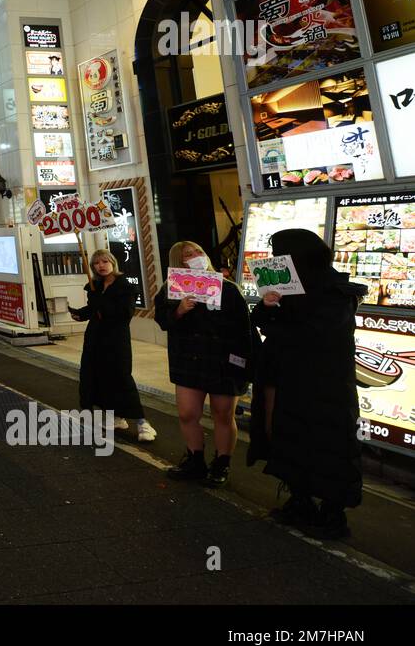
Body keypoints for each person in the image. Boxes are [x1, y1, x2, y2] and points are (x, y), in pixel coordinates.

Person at [249, 229, 364, 539]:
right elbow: (263, 321)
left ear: (297, 255)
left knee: (329, 446)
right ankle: (300, 502)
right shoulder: (290, 285)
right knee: (293, 440)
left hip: (327, 387)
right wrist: (268, 305)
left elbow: (313, 336)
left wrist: (279, 320)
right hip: (292, 382)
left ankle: (332, 514)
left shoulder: (335, 291)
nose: (274, 259)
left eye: (279, 253)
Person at [154, 241, 255, 487]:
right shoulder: (172, 289)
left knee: (222, 414)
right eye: (187, 255)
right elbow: (162, 319)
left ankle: (222, 464)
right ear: (179, 262)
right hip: (188, 360)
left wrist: (245, 363)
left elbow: (245, 328)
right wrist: (179, 310)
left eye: (198, 252)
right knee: (187, 413)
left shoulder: (228, 288)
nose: (194, 256)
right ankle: (194, 459)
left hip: (223, 361)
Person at [69, 249, 156, 443]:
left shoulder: (124, 285)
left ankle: (143, 422)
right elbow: (93, 310)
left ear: (113, 263)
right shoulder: (95, 285)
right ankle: (117, 417)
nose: (101, 265)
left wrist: (101, 305)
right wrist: (80, 314)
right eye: (97, 263)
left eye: (105, 261)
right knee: (99, 376)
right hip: (95, 338)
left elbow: (125, 313)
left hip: (116, 338)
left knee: (121, 377)